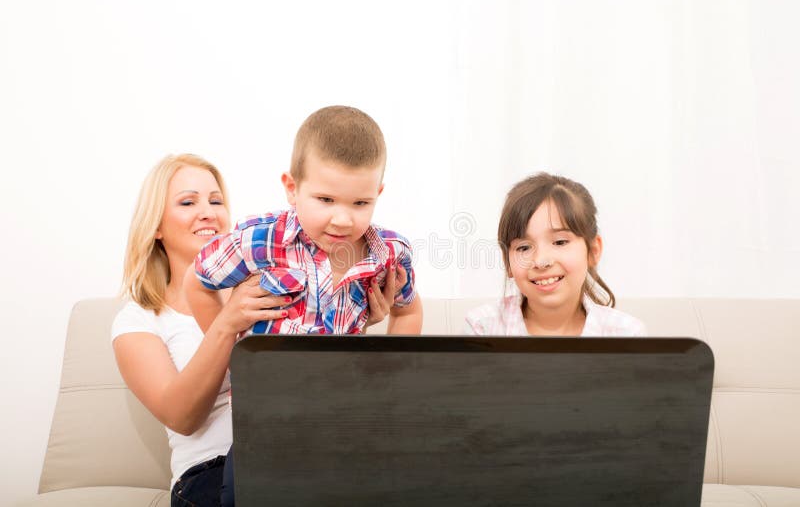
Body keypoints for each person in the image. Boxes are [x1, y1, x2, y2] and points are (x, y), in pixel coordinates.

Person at [111, 153, 404, 507]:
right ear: (155, 225)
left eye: (216, 200)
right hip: (211, 474)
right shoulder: (139, 319)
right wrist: (227, 323)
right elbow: (183, 417)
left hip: (303, 448)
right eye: (188, 202)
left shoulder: (267, 279)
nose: (208, 211)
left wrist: (367, 319)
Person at [185, 105, 423, 336]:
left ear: (377, 194)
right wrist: (229, 354)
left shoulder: (390, 254)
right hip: (266, 375)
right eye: (326, 199)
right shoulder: (260, 240)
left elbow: (407, 312)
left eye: (360, 203)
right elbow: (196, 283)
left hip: (345, 376)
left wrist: (389, 373)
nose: (342, 220)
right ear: (292, 188)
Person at [465, 172, 645, 337]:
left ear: (593, 251)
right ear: (508, 263)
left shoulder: (625, 334)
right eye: (524, 248)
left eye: (560, 242)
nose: (541, 261)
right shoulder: (481, 329)